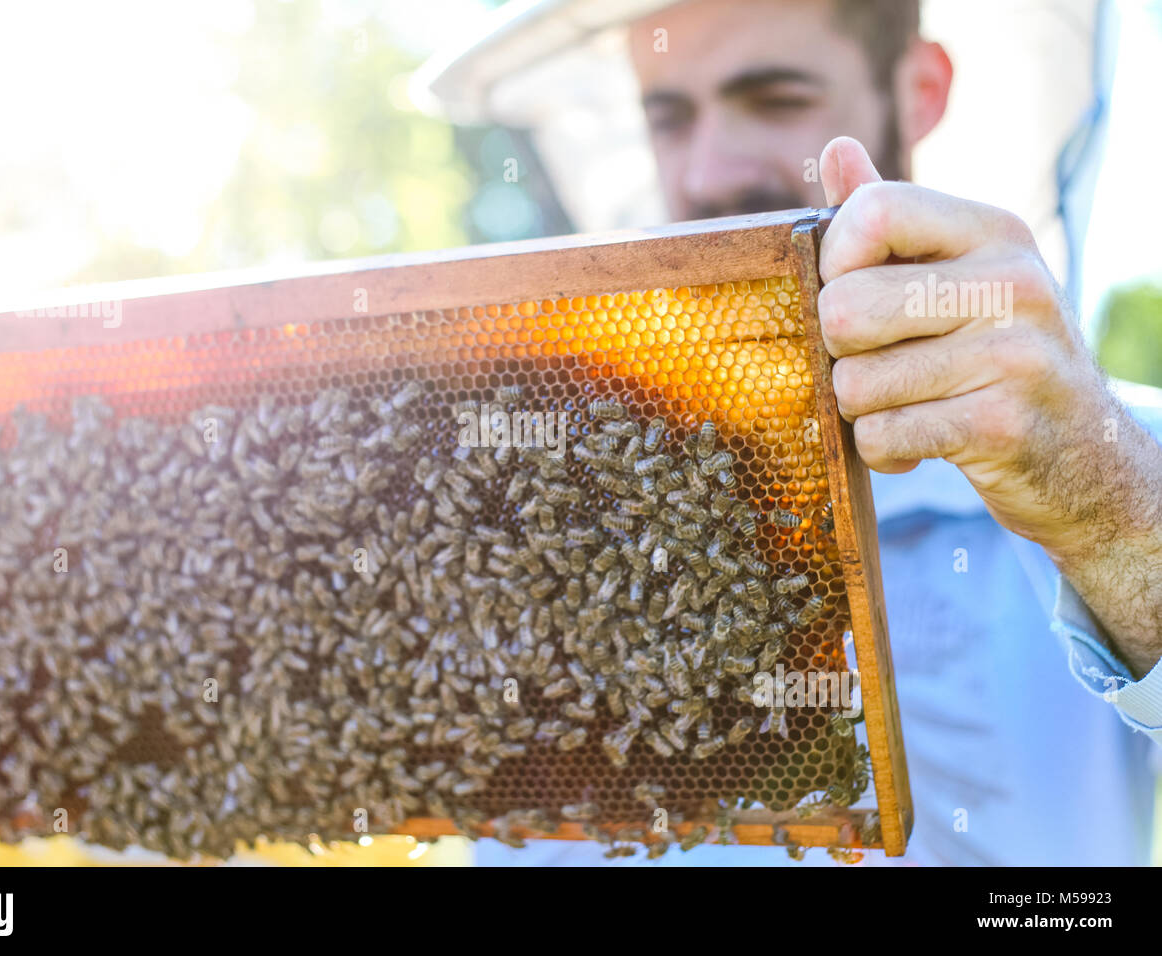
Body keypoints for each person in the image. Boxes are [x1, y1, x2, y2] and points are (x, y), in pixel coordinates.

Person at [440, 0, 1162, 865]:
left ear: (919, 90)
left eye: (777, 100)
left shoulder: (1121, 451)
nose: (708, 173)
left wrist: (1110, 515)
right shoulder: (552, 506)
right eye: (670, 118)